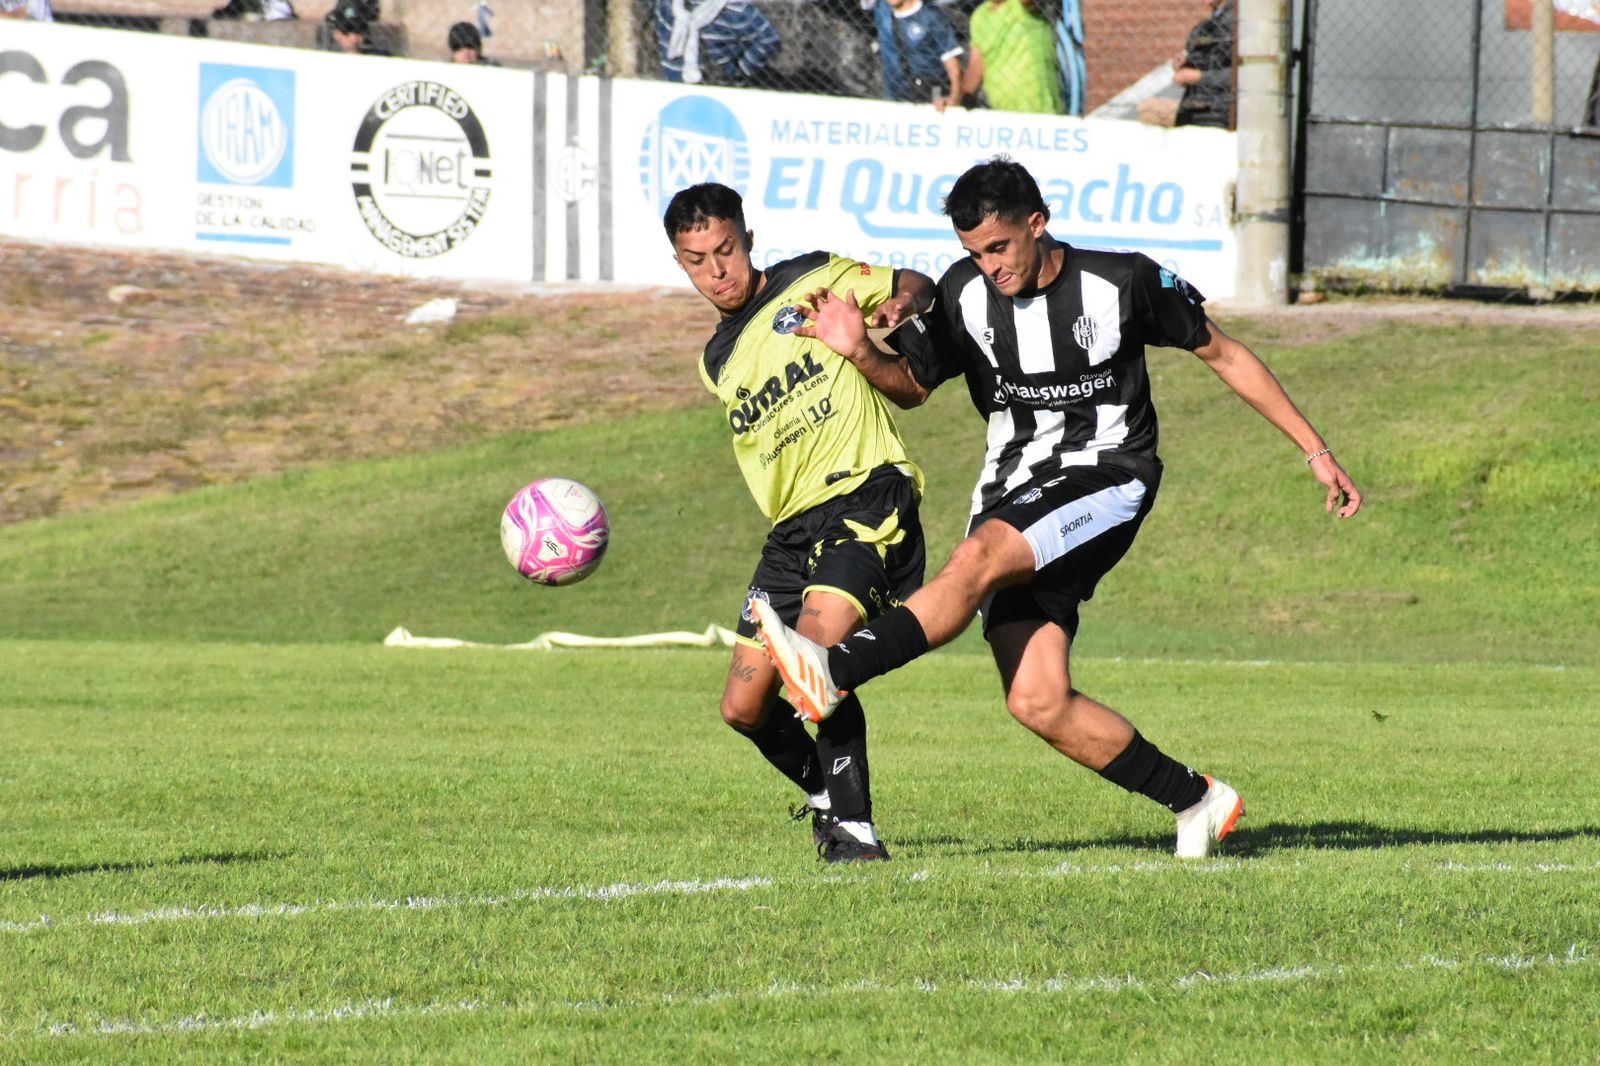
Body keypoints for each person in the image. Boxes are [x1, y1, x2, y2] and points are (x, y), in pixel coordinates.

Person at [752, 157, 1362, 860]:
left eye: (999, 247)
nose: (990, 267)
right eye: (975, 253)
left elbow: (1224, 354)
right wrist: (860, 349)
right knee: (1036, 699)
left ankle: (834, 669)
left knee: (978, 558)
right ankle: (1196, 799)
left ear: (1037, 223)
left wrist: (1315, 450)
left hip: (1109, 472)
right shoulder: (963, 293)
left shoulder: (1122, 281)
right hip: (1011, 490)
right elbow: (912, 386)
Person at [664, 182, 938, 862]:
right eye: (697, 260)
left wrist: (900, 306)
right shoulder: (715, 362)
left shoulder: (813, 280)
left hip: (864, 496)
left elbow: (917, 283)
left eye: (726, 249)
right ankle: (823, 797)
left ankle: (856, 833)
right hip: (791, 534)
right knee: (743, 708)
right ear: (681, 264)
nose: (717, 270)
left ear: (748, 239)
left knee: (814, 665)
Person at [960, 0, 1063, 115]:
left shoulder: (1020, 5)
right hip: (1001, 110)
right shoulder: (980, 15)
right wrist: (957, 100)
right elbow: (976, 66)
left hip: (1038, 106)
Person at [656, 0, 781, 85]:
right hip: (721, 85)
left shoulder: (666, 5)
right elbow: (769, 39)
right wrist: (742, 69)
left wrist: (741, 69)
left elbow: (769, 40)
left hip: (676, 84)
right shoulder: (738, 9)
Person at [873, 0, 964, 111]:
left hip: (931, 91)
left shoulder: (931, 15)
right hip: (895, 94)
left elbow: (952, 62)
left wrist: (954, 97)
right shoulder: (882, 11)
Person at [1172, 0, 1235, 128]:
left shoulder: (1239, 21)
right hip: (1199, 111)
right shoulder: (1210, 22)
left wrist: (1200, 77)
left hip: (1221, 114)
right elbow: (1210, 61)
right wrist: (1188, 62)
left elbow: (1249, 75)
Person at [325, 0, 390, 55]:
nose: (354, 39)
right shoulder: (326, 57)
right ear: (336, 34)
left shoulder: (381, 58)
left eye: (359, 31)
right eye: (345, 33)